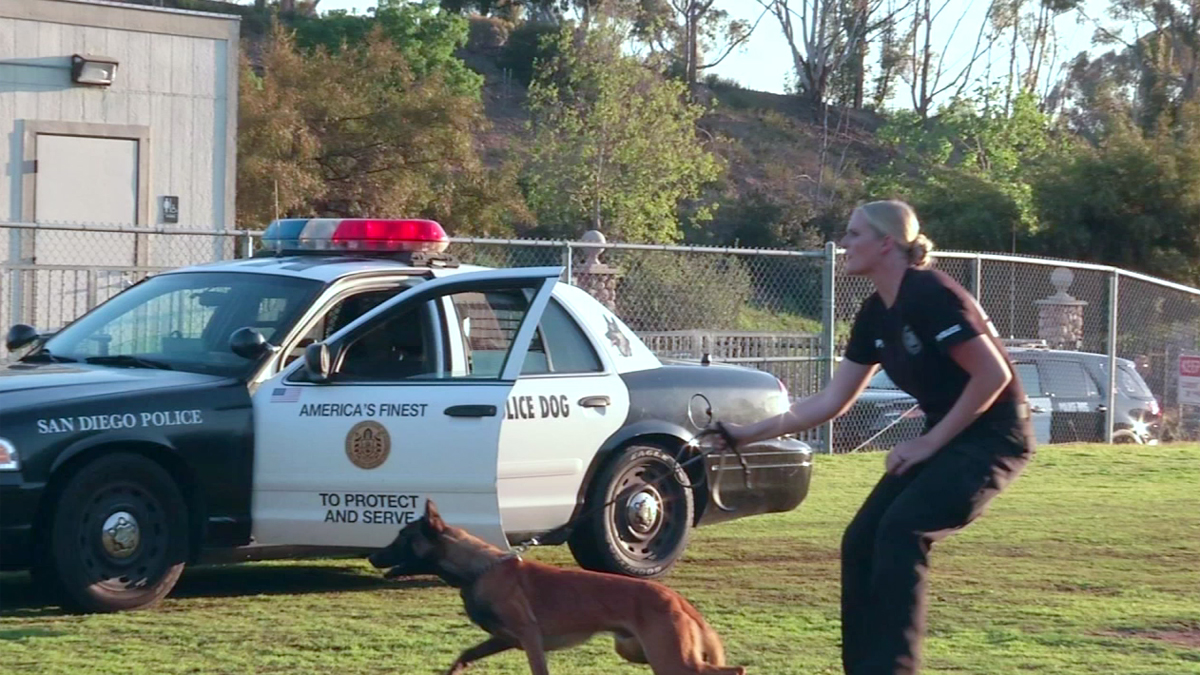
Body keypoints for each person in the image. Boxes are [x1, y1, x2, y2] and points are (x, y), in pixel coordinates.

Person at [712, 200, 1035, 675]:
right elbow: (832, 401)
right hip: (948, 435)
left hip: (994, 436)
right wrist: (748, 434)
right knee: (862, 539)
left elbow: (991, 376)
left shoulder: (930, 293)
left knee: (903, 530)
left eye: (854, 234)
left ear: (887, 243)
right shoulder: (875, 312)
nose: (844, 244)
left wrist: (927, 443)